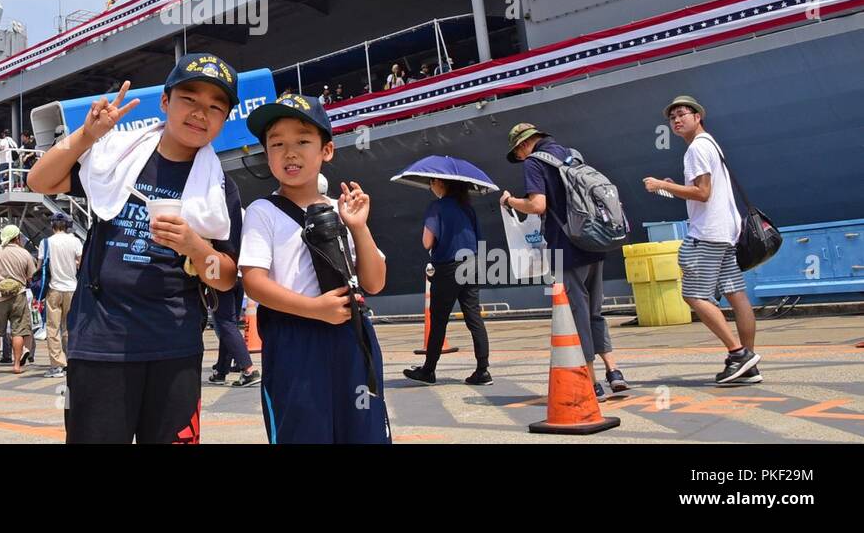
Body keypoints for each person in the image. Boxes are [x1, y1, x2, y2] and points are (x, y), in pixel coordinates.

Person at [26, 53, 243, 444]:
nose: (200, 113)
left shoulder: (220, 188)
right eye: (189, 99)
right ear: (165, 102)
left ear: (224, 120)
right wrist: (88, 135)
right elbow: (39, 180)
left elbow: (224, 279)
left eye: (215, 107)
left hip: (174, 346)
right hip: (100, 343)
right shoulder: (117, 158)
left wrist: (195, 246)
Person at [239, 94, 389, 443]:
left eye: (303, 141)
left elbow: (374, 282)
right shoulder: (263, 211)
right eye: (277, 144)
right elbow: (254, 283)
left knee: (363, 430)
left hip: (351, 338)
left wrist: (359, 227)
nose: (290, 152)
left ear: (327, 150)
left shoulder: (342, 209)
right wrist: (314, 309)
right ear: (267, 154)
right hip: (295, 337)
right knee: (302, 430)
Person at [501, 123, 628, 399]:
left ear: (524, 145)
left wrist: (511, 201)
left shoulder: (534, 163)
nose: (521, 158)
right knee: (596, 310)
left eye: (518, 153)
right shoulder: (571, 154)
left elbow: (537, 206)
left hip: (566, 247)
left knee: (576, 314)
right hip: (594, 240)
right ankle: (614, 372)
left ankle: (592, 381)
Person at [644, 96, 760, 386]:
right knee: (737, 295)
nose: (676, 120)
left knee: (693, 295)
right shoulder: (711, 143)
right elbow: (703, 191)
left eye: (682, 114)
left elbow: (703, 193)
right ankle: (749, 364)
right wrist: (675, 187)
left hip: (707, 233)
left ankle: (737, 354)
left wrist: (662, 185)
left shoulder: (696, 148)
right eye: (672, 118)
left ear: (698, 116)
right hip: (727, 232)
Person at [403, 177, 491, 385]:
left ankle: (428, 371)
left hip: (449, 267)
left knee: (439, 320)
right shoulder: (468, 208)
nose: (431, 186)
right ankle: (483, 370)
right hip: (473, 263)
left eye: (432, 182)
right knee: (474, 317)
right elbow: (479, 239)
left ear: (442, 184)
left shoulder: (437, 207)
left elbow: (427, 242)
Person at [0, 224, 38, 374]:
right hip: (18, 295)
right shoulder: (25, 254)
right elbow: (31, 277)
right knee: (17, 331)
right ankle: (17, 365)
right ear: (17, 238)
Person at [37, 214, 83, 378]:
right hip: (72, 288)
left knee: (53, 328)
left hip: (54, 288)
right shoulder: (75, 241)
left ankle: (57, 365)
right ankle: (71, 360)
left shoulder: (46, 242)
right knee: (70, 326)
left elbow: (40, 266)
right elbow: (81, 262)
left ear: (52, 225)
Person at [209, 278, 258, 387]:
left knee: (226, 324)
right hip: (238, 278)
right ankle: (221, 371)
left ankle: (248, 370)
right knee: (229, 326)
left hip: (218, 277)